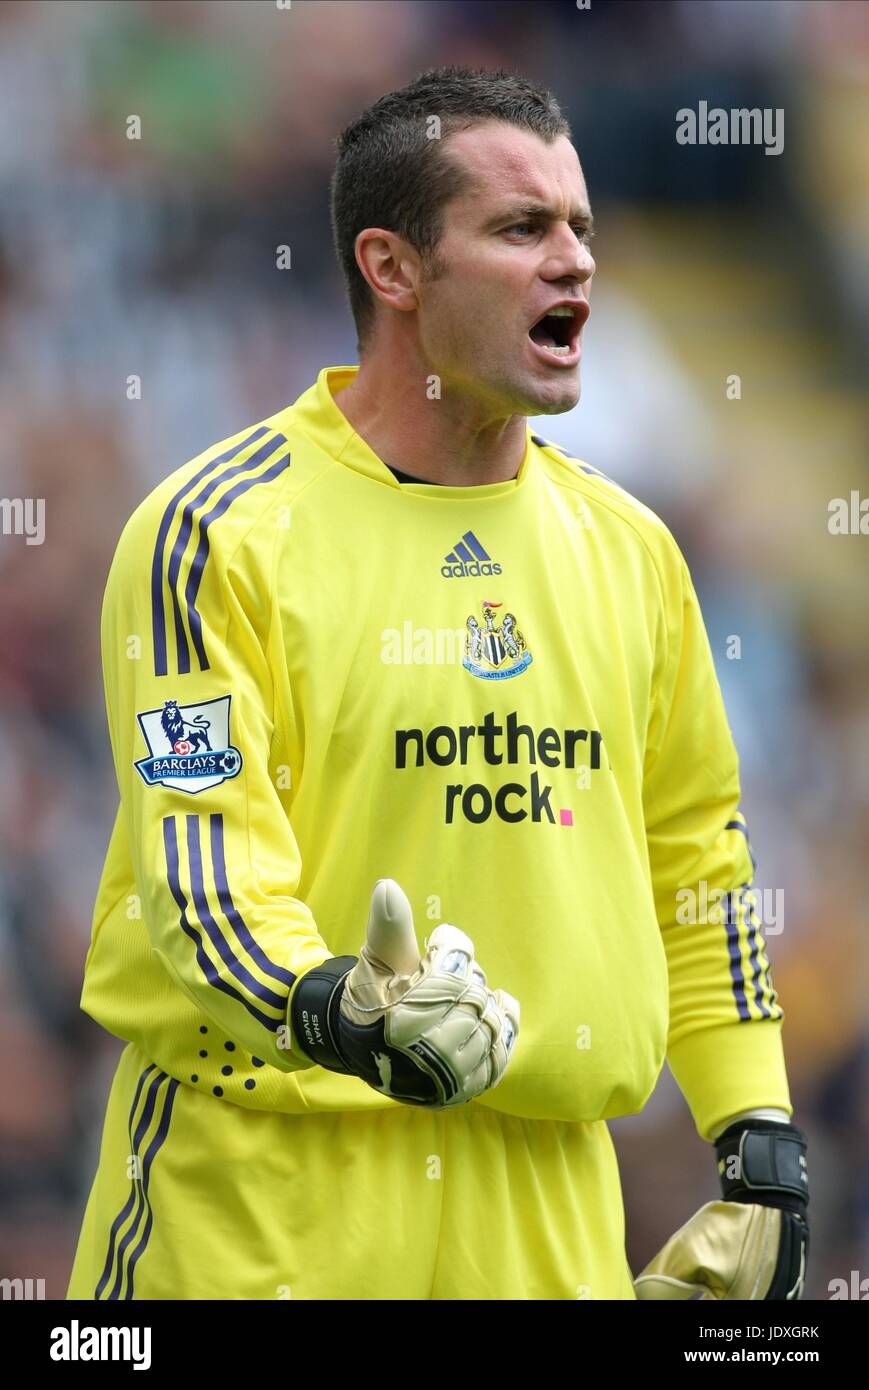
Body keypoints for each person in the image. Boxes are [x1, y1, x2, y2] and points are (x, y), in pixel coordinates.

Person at [67, 66, 807, 1301]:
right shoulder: (213, 530)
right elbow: (200, 877)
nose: (572, 261)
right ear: (391, 267)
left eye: (580, 227)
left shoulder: (630, 549)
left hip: (547, 1207)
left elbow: (699, 864)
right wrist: (338, 1008)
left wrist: (759, 1143)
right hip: (264, 1196)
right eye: (521, 229)